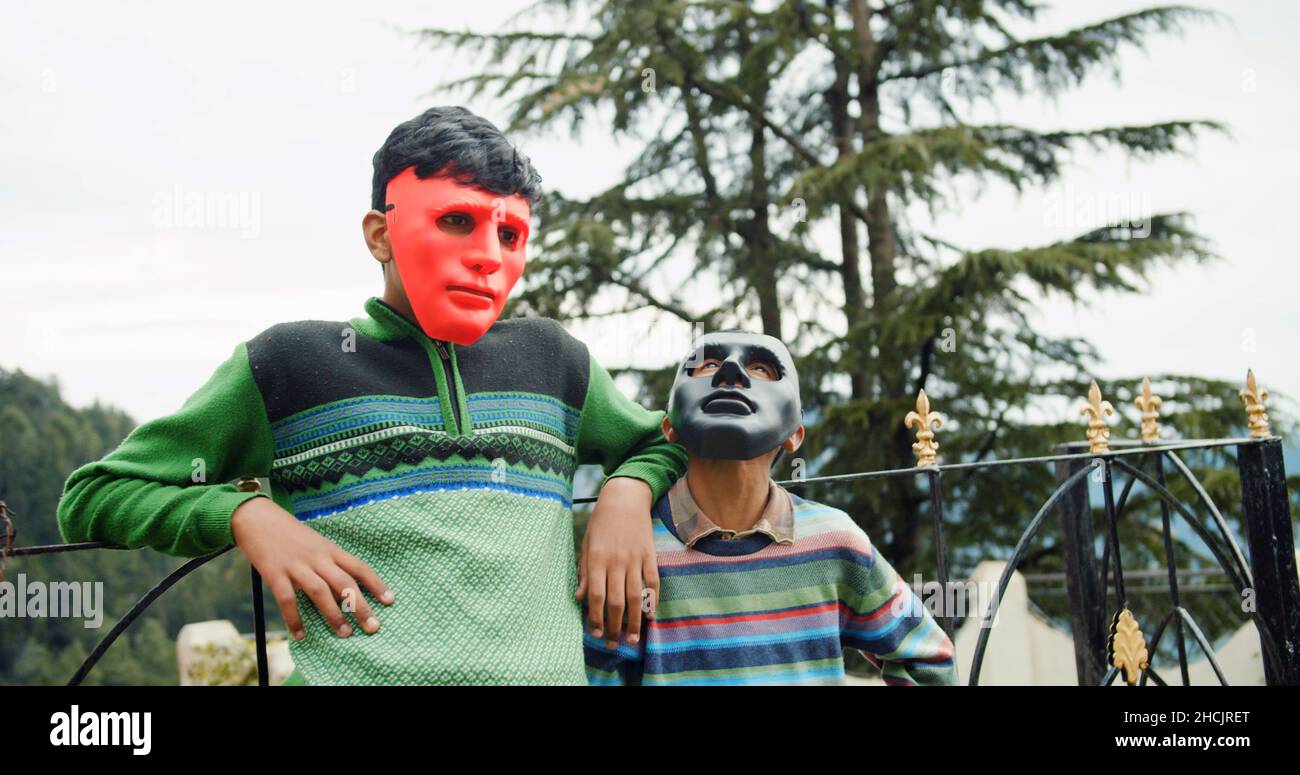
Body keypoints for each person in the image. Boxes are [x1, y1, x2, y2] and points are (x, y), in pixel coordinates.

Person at [57, 106, 685, 685]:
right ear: (380, 236)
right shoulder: (289, 364)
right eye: (456, 220)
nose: (487, 257)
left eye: (511, 235)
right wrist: (246, 515)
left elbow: (671, 441)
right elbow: (94, 496)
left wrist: (625, 492)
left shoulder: (553, 360)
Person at [584, 332, 957, 685]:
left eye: (762, 368)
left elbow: (928, 656)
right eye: (708, 365)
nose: (731, 373)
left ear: (795, 433)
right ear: (669, 427)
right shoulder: (632, 551)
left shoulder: (835, 541)